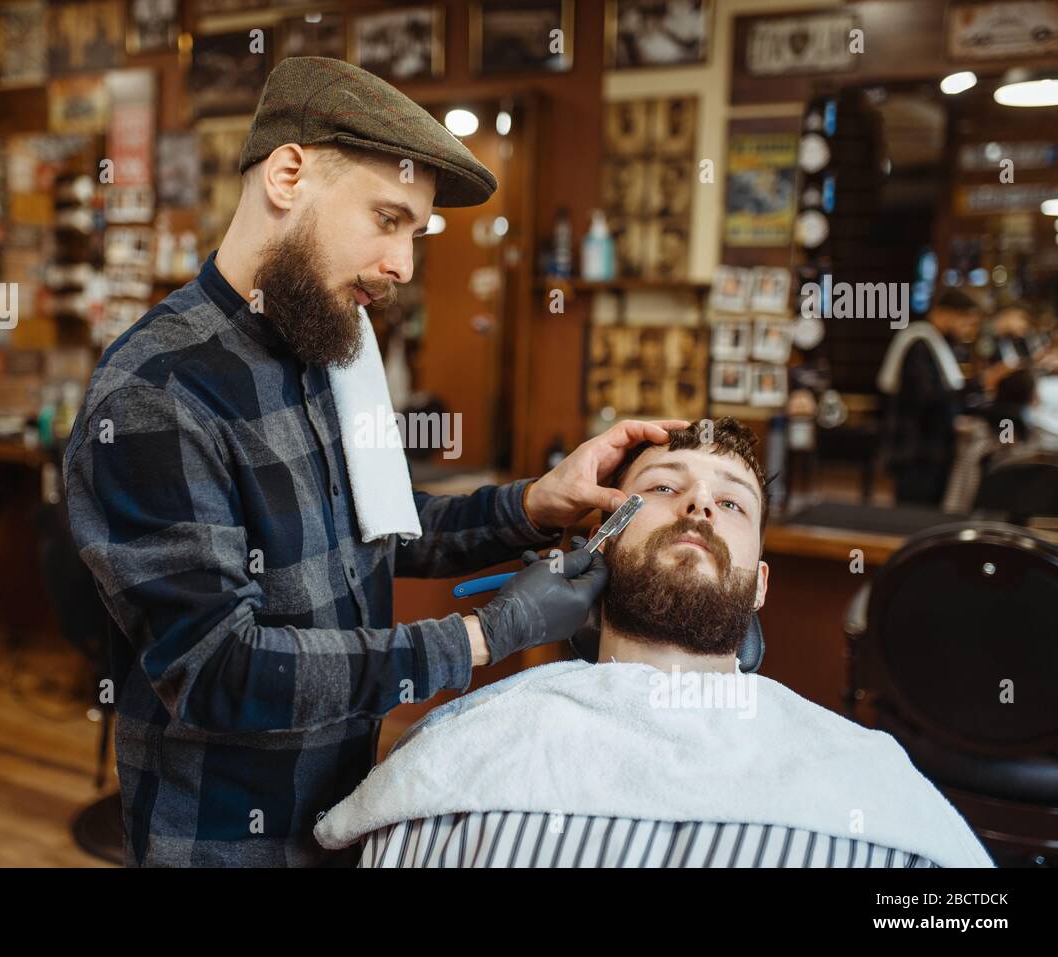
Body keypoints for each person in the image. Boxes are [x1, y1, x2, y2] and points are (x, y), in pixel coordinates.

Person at [64, 56, 683, 867]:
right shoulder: (155, 394)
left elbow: (381, 524)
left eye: (415, 234)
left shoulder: (331, 347)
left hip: (343, 815)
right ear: (288, 174)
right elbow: (220, 669)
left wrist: (534, 503)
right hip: (222, 843)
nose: (403, 266)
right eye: (388, 220)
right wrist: (483, 635)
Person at [314, 419, 994, 868]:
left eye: (731, 504)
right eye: (664, 487)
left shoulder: (864, 776)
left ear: (759, 584)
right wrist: (486, 634)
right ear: (596, 546)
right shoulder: (462, 757)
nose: (698, 505)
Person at [877, 289, 983, 505]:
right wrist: (978, 384)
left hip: (933, 450)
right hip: (917, 452)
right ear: (944, 313)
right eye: (965, 321)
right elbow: (925, 398)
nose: (967, 330)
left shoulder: (939, 344)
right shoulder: (919, 343)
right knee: (913, 516)